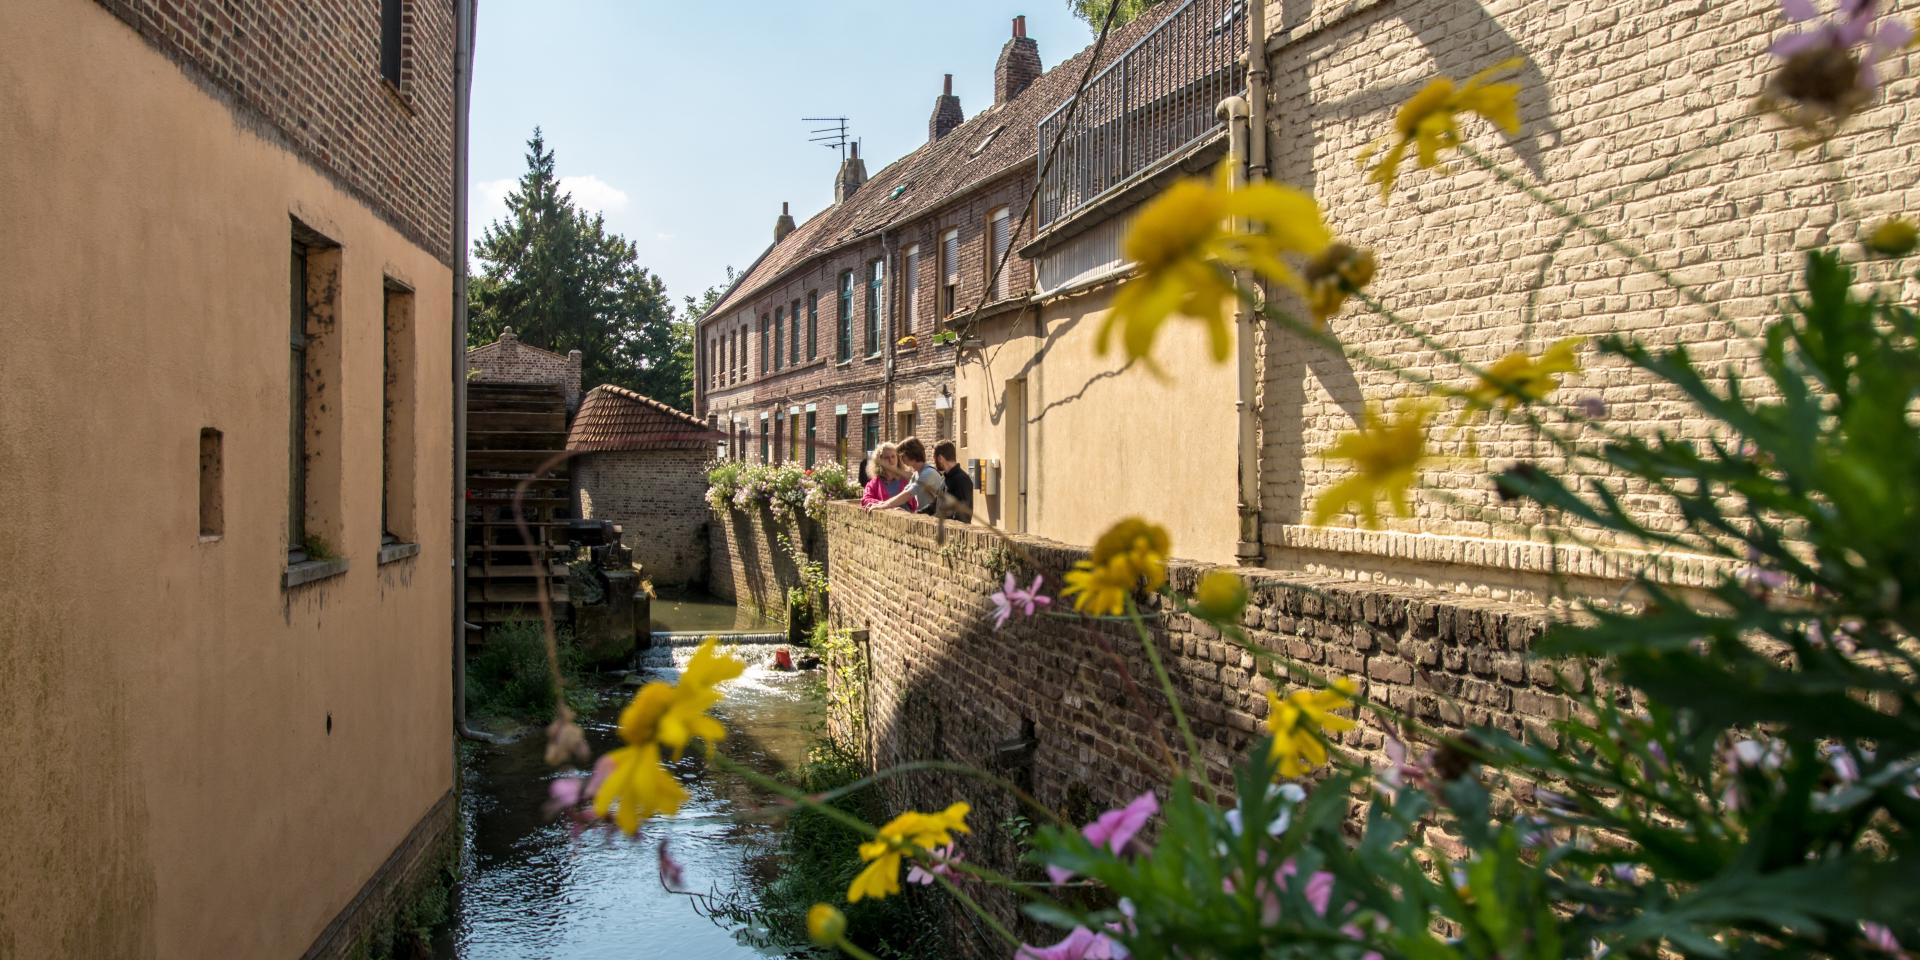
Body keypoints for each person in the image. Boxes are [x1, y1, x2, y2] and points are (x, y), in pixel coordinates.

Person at [866, 436, 945, 515]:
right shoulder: (916, 474)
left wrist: (882, 506)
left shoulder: (928, 473)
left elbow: (907, 495)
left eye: (902, 455)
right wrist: (882, 504)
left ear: (910, 454)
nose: (900, 458)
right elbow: (906, 493)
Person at [859, 442, 918, 512]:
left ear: (898, 458)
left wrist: (905, 511)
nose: (891, 460)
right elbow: (865, 500)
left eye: (893, 456)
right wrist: (883, 505)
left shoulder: (907, 480)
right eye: (887, 458)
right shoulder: (874, 484)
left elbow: (916, 506)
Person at [933, 440, 973, 521]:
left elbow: (962, 515)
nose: (934, 462)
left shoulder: (962, 480)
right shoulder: (944, 478)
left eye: (934, 458)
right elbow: (935, 505)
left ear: (940, 458)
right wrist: (916, 514)